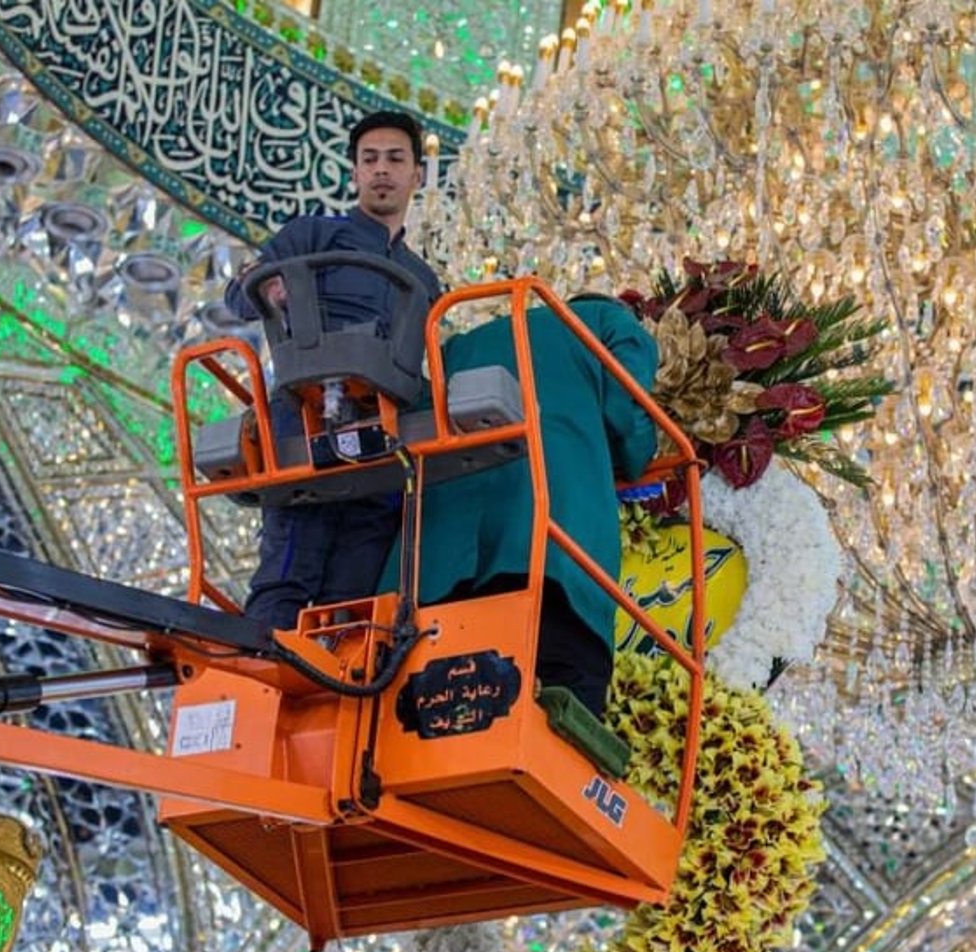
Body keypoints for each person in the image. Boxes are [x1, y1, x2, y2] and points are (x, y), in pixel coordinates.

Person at [385, 296, 659, 718]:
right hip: (548, 549)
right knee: (562, 718)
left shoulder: (463, 343)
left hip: (431, 566)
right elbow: (628, 411)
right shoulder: (610, 321)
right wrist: (639, 458)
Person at [225, 110, 445, 629]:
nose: (381, 171)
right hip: (306, 418)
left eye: (395, 159)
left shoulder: (423, 279)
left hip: (387, 437)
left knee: (358, 583)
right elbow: (239, 294)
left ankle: (336, 686)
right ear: (353, 173)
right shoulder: (313, 235)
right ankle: (266, 669)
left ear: (418, 175)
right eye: (369, 160)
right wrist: (267, 287)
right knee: (291, 563)